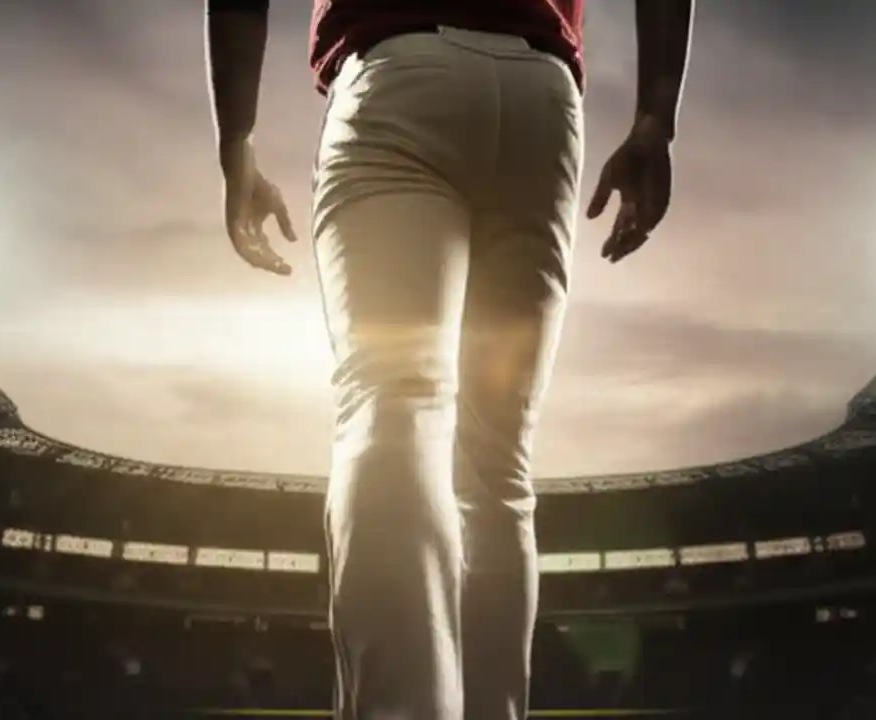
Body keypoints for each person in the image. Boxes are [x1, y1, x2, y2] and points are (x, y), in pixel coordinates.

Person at [206, 2, 692, 718]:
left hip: (399, 64)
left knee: (393, 404)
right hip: (543, 94)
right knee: (497, 466)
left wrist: (235, 143)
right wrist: (654, 118)